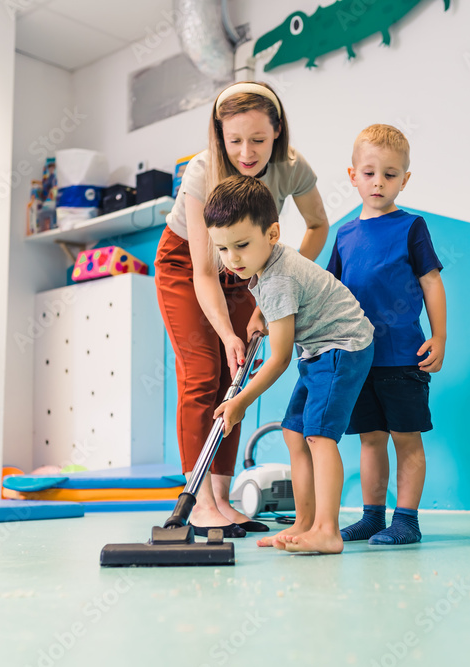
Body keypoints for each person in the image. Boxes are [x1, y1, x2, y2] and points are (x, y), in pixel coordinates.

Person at [155, 81, 329, 537]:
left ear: (277, 132)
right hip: (187, 265)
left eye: (258, 139)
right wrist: (229, 333)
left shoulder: (291, 168)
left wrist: (269, 294)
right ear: (219, 136)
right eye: (234, 141)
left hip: (247, 268)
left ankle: (222, 498)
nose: (246, 153)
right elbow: (205, 272)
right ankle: (197, 502)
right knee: (203, 372)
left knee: (235, 378)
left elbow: (317, 225)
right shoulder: (201, 174)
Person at [205, 175, 374, 554]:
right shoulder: (267, 267)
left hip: (341, 347)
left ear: (273, 233)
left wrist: (240, 402)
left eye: (242, 245)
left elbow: (279, 359)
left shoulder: (279, 279)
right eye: (223, 249)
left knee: (318, 436)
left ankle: (327, 531)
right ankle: (305, 522)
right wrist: (259, 314)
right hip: (317, 350)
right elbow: (277, 300)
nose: (233, 259)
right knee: (294, 434)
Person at [327, 124, 447, 545]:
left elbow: (431, 282)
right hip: (358, 357)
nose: (379, 182)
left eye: (390, 174)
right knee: (370, 439)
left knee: (405, 439)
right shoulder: (343, 235)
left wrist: (440, 336)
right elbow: (330, 293)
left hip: (402, 355)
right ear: (352, 175)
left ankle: (407, 520)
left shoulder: (411, 227)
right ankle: (372, 517)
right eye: (369, 172)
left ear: (405, 180)